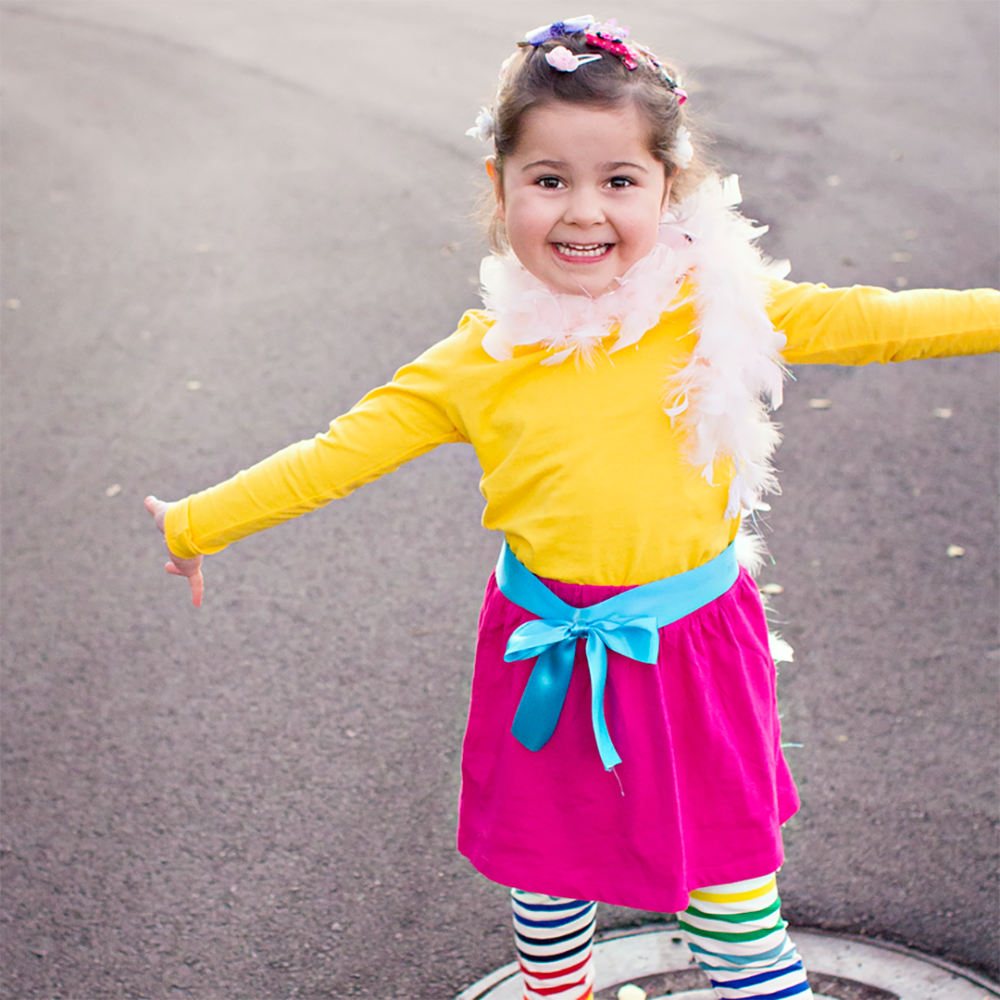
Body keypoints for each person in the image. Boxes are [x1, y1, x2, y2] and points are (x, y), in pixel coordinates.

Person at [145, 16, 1000, 1000]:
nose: (581, 210)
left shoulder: (719, 309)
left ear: (667, 190)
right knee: (547, 896)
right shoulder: (475, 365)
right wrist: (195, 523)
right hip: (543, 651)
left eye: (618, 181)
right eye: (548, 178)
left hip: (690, 652)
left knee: (734, 911)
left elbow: (884, 322)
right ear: (500, 188)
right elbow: (336, 455)